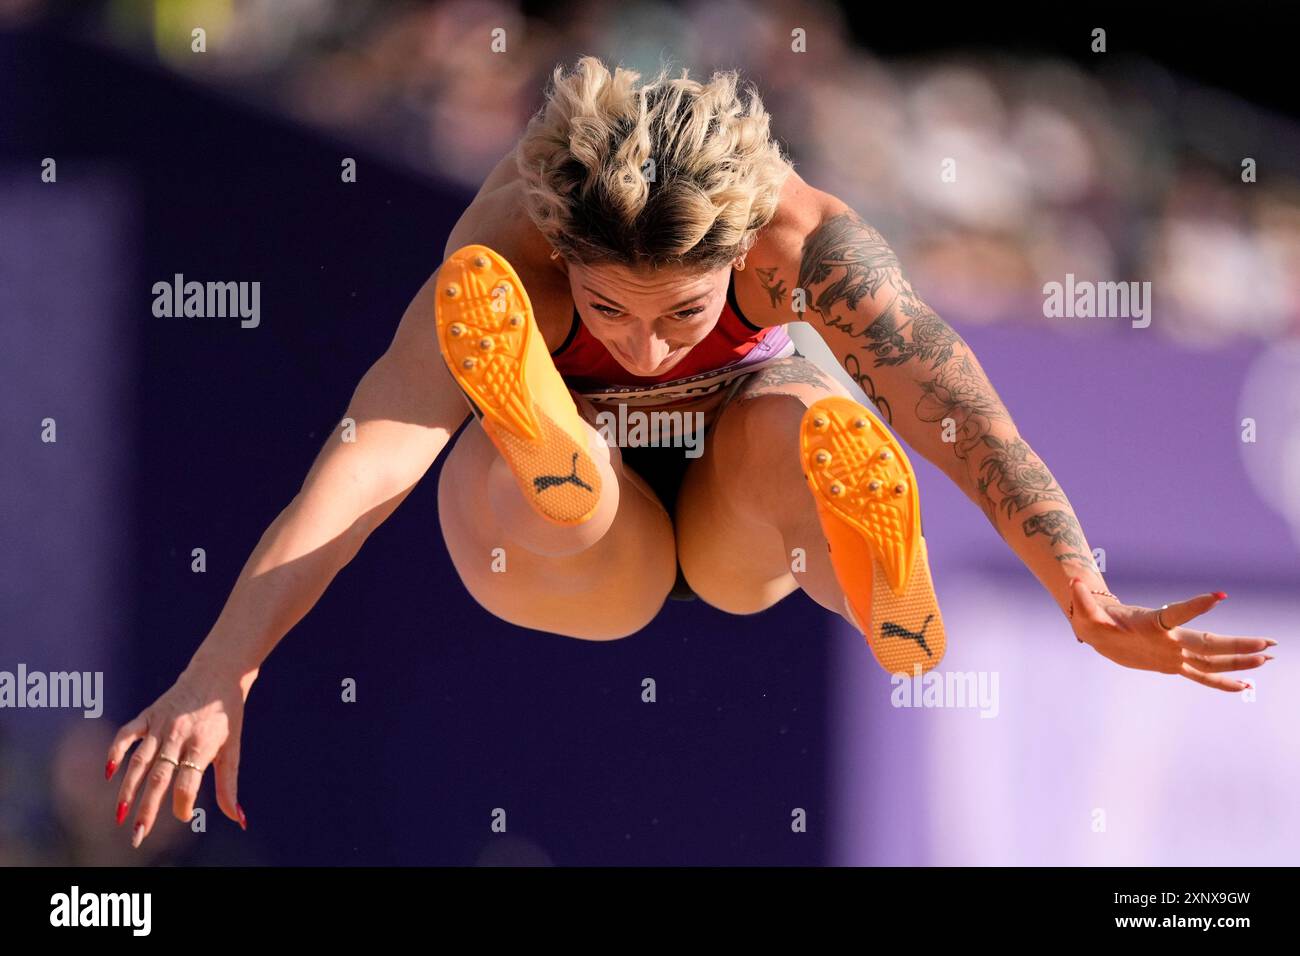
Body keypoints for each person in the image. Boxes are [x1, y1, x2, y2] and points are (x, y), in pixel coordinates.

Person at [107, 57, 1274, 848]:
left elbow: (967, 420)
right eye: (610, 308)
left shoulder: (808, 244)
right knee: (534, 492)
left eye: (681, 311)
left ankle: (866, 577)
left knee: (803, 428)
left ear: (744, 250)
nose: (650, 348)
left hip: (735, 488)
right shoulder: (508, 255)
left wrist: (1079, 588)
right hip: (577, 544)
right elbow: (369, 461)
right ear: (566, 251)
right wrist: (226, 665)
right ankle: (547, 443)